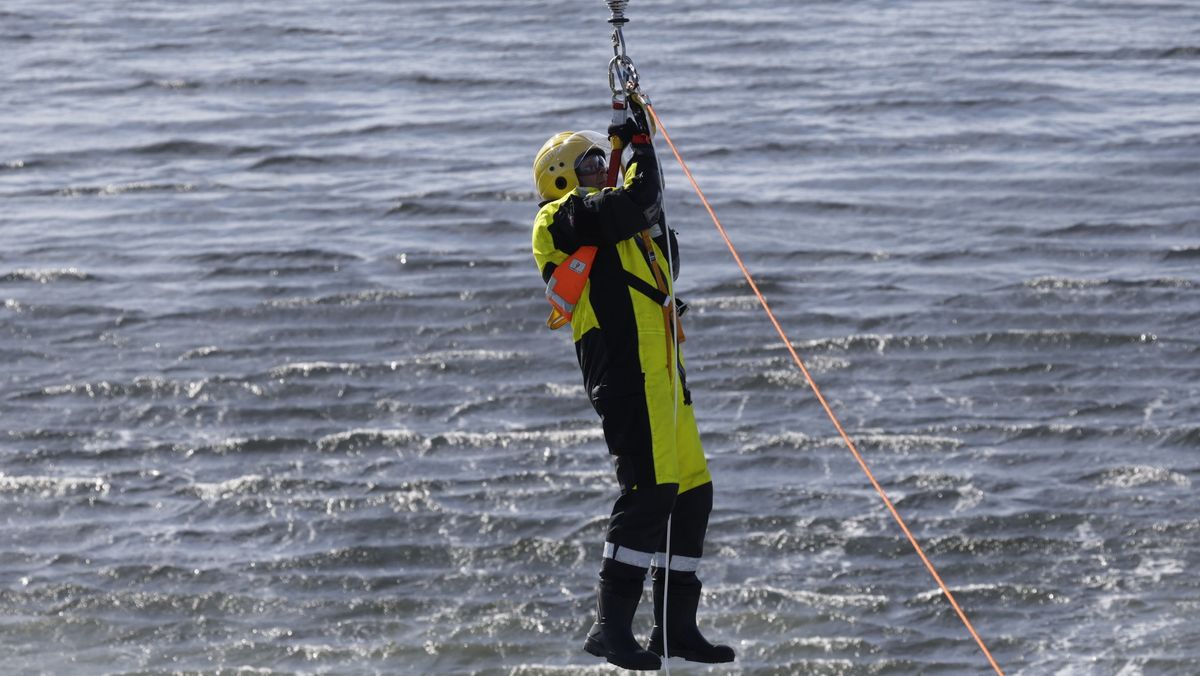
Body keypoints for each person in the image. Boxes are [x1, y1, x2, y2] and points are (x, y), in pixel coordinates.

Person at [530, 102, 735, 670]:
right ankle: (611, 626)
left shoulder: (614, 219)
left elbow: (654, 224)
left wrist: (639, 150)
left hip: (664, 373)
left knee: (690, 493)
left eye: (604, 157)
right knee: (647, 493)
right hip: (626, 374)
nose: (602, 166)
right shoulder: (561, 220)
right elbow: (635, 200)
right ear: (562, 175)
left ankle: (675, 628)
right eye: (591, 161)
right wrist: (639, 146)